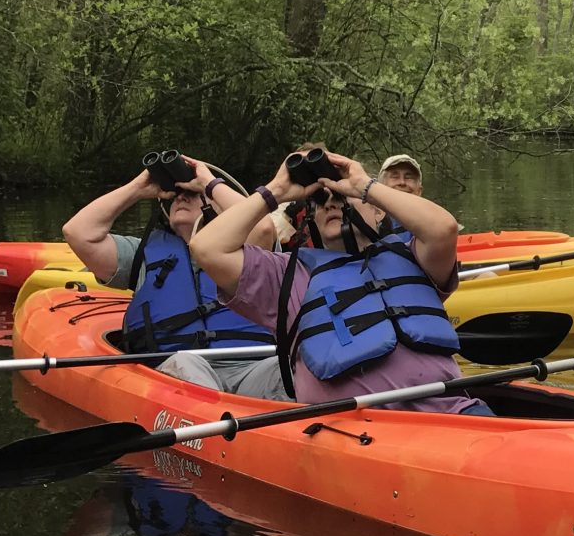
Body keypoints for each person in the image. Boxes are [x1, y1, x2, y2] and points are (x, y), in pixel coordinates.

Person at [190, 147, 488, 414]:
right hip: (353, 435)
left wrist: (363, 185)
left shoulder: (414, 256)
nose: (331, 204)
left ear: (378, 209)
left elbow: (444, 228)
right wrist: (276, 191)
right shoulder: (285, 276)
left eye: (342, 197)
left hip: (452, 416)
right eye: (321, 201)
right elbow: (207, 248)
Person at [62, 155, 284, 396]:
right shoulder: (142, 254)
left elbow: (263, 227)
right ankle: (213, 416)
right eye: (175, 194)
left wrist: (209, 184)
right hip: (177, 374)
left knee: (284, 370)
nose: (180, 197)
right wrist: (138, 188)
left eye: (192, 193)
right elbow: (77, 233)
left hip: (252, 369)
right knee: (186, 363)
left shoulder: (248, 252)